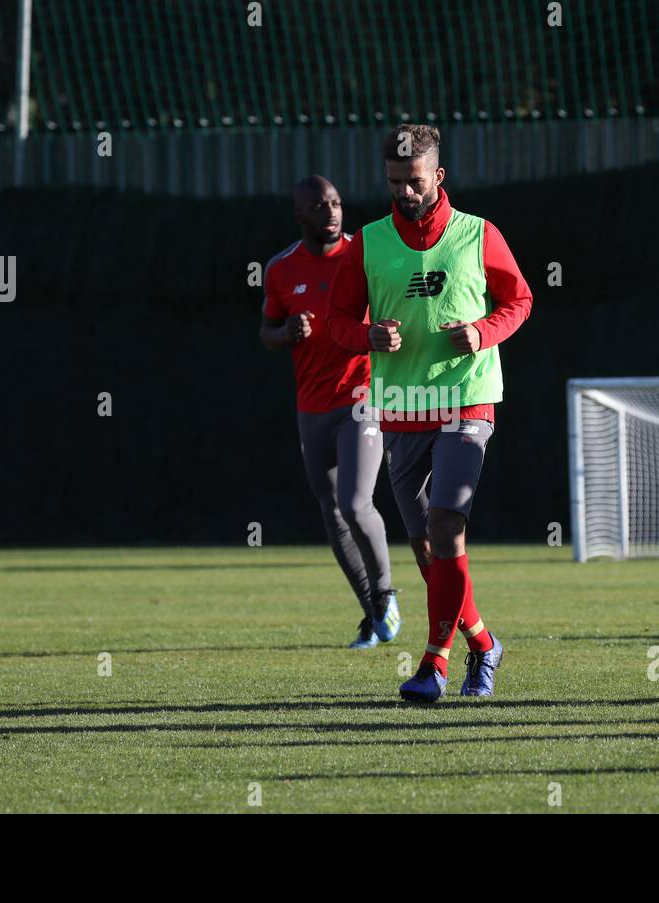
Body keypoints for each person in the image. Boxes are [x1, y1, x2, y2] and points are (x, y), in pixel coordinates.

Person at [327, 125, 532, 701]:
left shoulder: (478, 234)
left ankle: (433, 666)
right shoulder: (367, 242)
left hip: (467, 400)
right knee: (428, 550)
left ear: (437, 176)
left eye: (414, 182)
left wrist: (482, 331)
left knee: (447, 526)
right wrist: (366, 334)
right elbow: (338, 321)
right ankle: (484, 644)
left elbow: (519, 300)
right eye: (395, 182)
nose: (405, 193)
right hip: (402, 407)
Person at [261, 175, 399, 649]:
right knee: (332, 512)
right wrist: (287, 333)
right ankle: (373, 614)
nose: (332, 212)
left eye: (337, 202)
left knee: (356, 503)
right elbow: (267, 330)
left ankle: (385, 593)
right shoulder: (280, 269)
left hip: (363, 396)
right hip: (312, 405)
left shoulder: (365, 252)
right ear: (301, 215)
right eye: (320, 206)